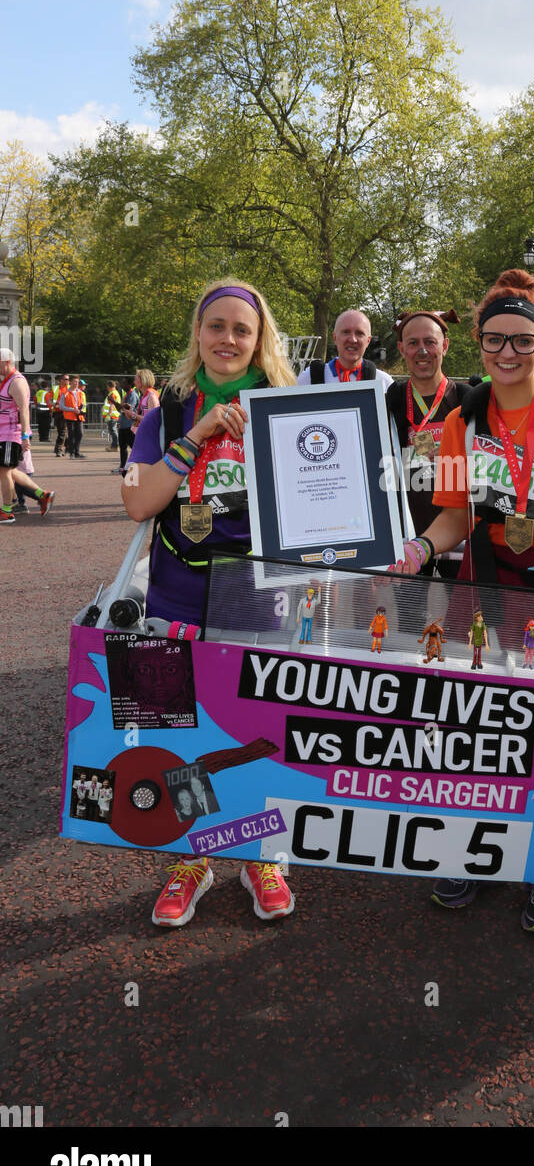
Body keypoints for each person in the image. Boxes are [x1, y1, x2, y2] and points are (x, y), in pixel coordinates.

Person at [391, 267, 534, 933]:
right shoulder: (463, 417)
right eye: (495, 341)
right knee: (477, 727)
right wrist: (421, 550)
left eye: (522, 340)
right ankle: (468, 853)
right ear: (481, 346)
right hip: (484, 582)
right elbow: (456, 515)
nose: (508, 353)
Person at [122, 277, 297, 927]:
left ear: (258, 343)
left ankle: (260, 852)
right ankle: (193, 855)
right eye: (216, 326)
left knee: (258, 730)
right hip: (176, 595)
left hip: (258, 600)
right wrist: (197, 432)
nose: (228, 338)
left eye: (241, 330)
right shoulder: (164, 413)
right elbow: (140, 502)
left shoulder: (285, 410)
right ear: (197, 334)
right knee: (185, 733)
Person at [385, 309, 468, 571]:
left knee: (462, 611)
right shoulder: (391, 401)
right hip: (407, 535)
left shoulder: (467, 399)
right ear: (401, 349)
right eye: (413, 343)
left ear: (444, 345)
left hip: (456, 535)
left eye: (430, 342)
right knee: (408, 611)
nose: (422, 351)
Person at [0, 348, 55, 523]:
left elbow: (24, 410)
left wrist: (24, 436)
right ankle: (42, 495)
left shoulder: (17, 382)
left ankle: (7, 510)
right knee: (10, 471)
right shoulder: (7, 381)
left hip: (10, 434)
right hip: (5, 434)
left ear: (7, 362)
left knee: (5, 471)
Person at [297, 309, 393, 388]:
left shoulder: (384, 382)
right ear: (335, 338)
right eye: (346, 332)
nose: (352, 339)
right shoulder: (308, 379)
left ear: (368, 341)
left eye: (359, 333)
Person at [114, 378, 139, 474]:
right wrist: (117, 405)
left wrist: (116, 403)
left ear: (129, 385)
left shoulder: (132, 395)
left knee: (133, 446)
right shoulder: (126, 394)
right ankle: (122, 467)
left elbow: (128, 409)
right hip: (123, 425)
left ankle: (138, 465)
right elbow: (121, 410)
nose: (122, 385)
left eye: (124, 383)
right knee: (122, 447)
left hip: (129, 425)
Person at [60, 375, 87, 458]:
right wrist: (72, 409)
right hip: (70, 417)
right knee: (71, 435)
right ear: (70, 382)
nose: (76, 383)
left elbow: (84, 404)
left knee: (80, 434)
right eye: (75, 381)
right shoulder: (65, 393)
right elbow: (61, 406)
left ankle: (77, 452)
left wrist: (81, 409)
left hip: (79, 416)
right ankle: (72, 453)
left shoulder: (81, 393)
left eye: (77, 382)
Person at [52, 374, 70, 456]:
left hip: (66, 412)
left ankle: (58, 449)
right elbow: (49, 398)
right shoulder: (55, 388)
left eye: (68, 379)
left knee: (62, 432)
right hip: (56, 412)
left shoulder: (70, 389)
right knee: (61, 431)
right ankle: (68, 448)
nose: (67, 381)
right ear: (61, 380)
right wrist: (52, 404)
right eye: (65, 379)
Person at [101, 380, 121, 450]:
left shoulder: (112, 394)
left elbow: (111, 405)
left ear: (108, 386)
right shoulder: (114, 393)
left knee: (113, 431)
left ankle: (115, 446)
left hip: (112, 415)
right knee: (112, 431)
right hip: (113, 415)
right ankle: (114, 446)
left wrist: (108, 414)